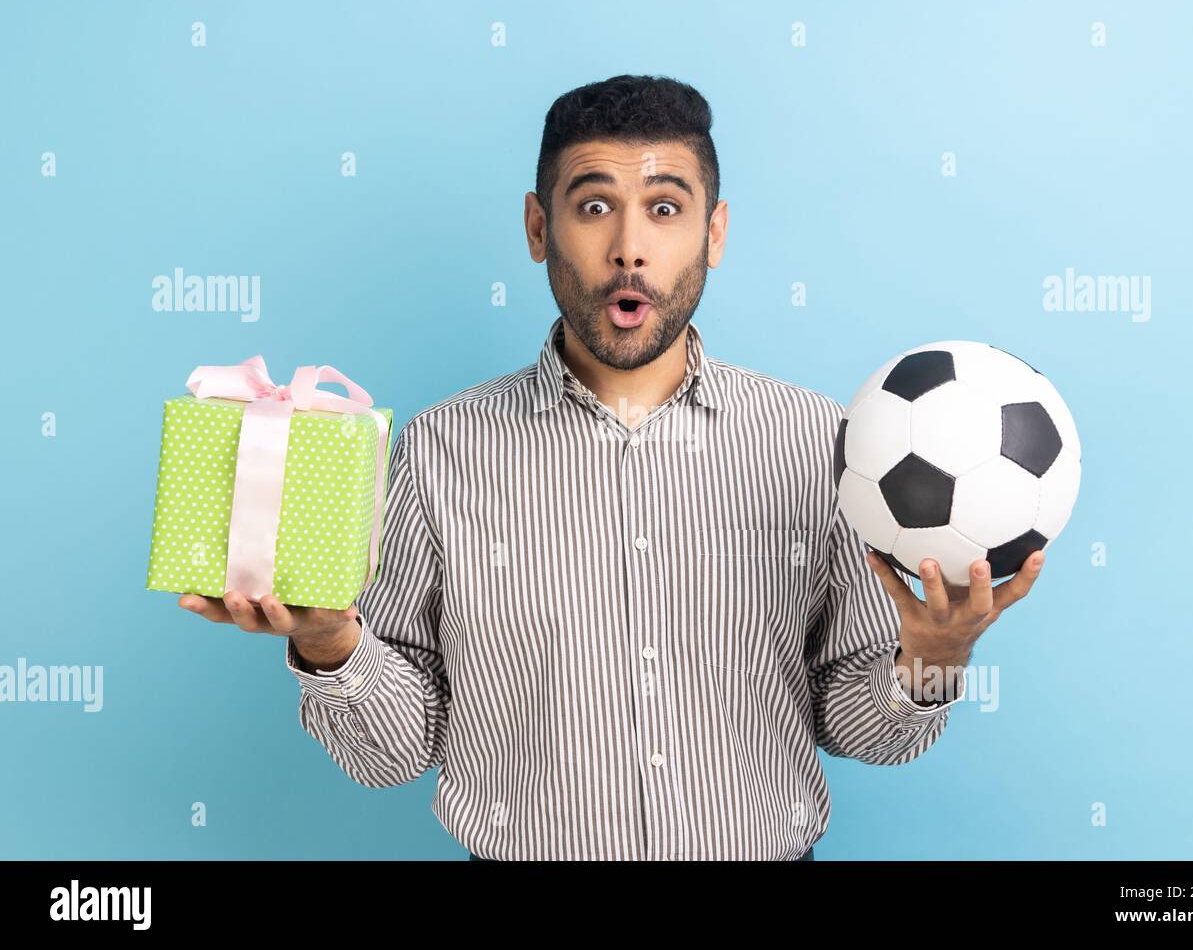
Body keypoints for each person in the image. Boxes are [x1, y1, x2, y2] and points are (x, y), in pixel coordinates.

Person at [179, 74, 1045, 861]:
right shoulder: (443, 451)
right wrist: (330, 643)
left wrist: (933, 657)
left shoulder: (820, 442)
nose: (630, 248)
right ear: (536, 228)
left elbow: (867, 733)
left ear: (714, 233)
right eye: (594, 207)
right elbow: (398, 753)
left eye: (665, 210)